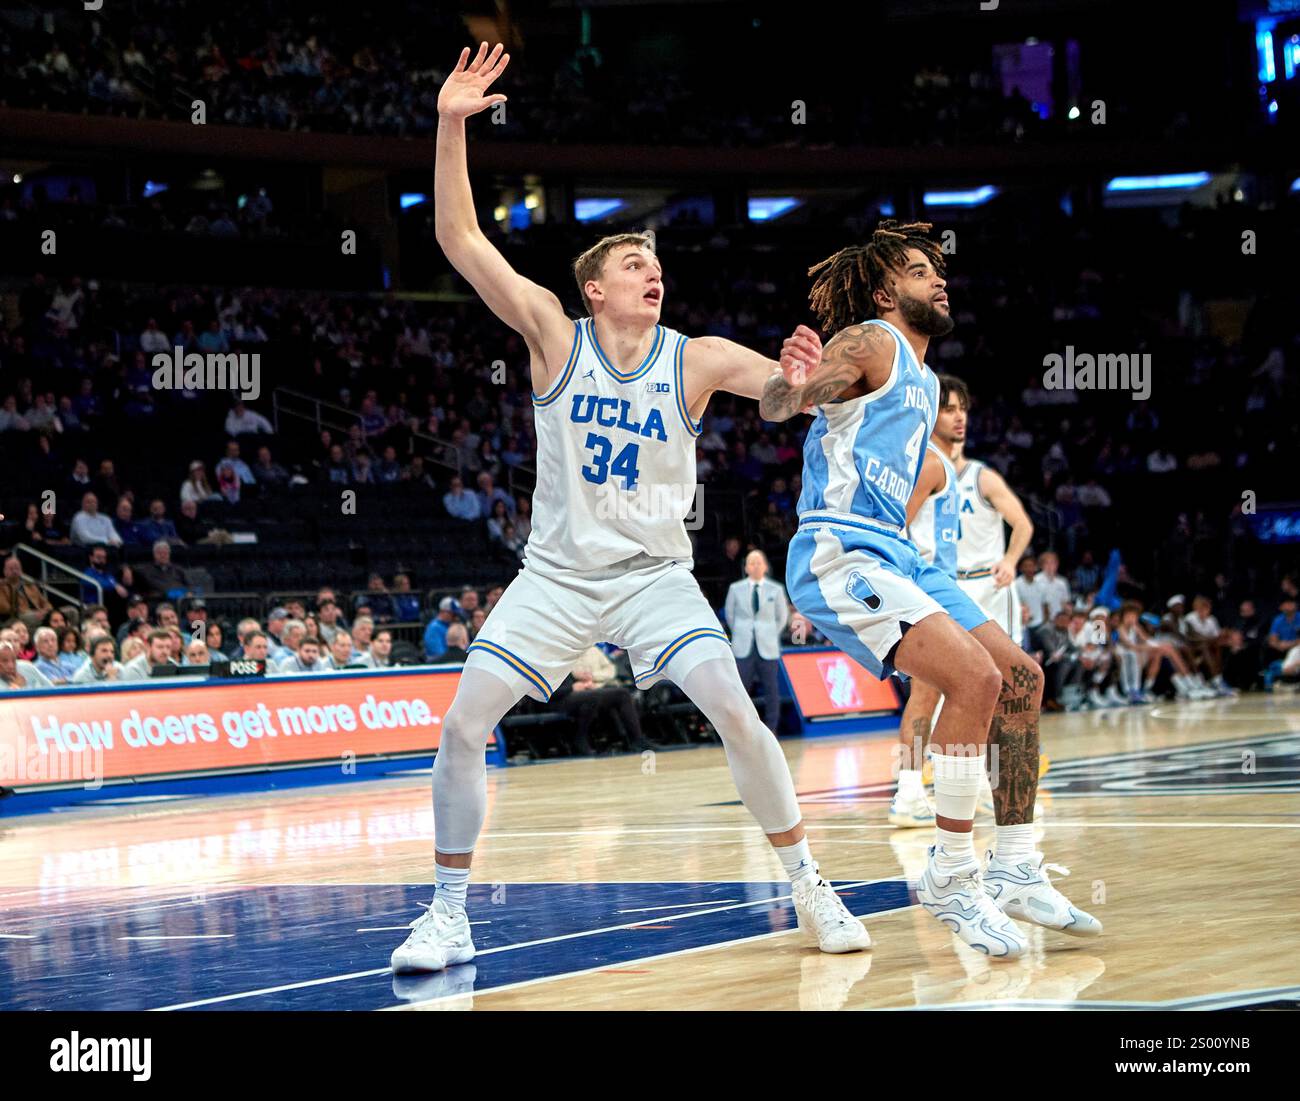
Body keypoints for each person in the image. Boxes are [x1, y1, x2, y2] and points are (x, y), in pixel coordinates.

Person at [391, 43, 868, 977]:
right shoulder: (550, 336)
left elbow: (774, 397)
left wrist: (809, 382)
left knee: (737, 711)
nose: (653, 271)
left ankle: (809, 883)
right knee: (460, 724)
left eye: (657, 262)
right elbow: (460, 242)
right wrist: (450, 123)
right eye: (633, 261)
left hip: (656, 578)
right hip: (557, 578)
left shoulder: (693, 357)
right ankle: (447, 913)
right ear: (595, 288)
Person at [763, 219, 1098, 957]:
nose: (938, 278)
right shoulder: (873, 339)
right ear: (887, 290)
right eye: (919, 271)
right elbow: (783, 403)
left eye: (937, 270)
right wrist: (791, 383)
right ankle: (952, 872)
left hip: (898, 558)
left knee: (1020, 677)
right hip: (841, 549)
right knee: (974, 678)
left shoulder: (919, 381)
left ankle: (1012, 862)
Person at [889, 374, 963, 829]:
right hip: (922, 591)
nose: (958, 417)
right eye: (949, 408)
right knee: (927, 692)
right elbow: (897, 527)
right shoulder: (930, 463)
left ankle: (929, 788)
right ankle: (908, 792)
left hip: (943, 589)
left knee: (948, 690)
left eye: (963, 408)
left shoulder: (945, 465)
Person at [724, 550, 789, 734]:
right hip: (743, 646)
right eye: (751, 563)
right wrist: (741, 632)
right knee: (740, 690)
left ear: (766, 566)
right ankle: (741, 730)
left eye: (759, 562)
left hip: (767, 647)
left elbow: (782, 617)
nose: (755, 566)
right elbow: (730, 615)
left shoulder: (776, 590)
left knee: (771, 690)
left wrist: (769, 633)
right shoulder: (735, 589)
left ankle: (771, 730)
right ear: (745, 567)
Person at [560, 644, 651, 754]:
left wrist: (593, 678)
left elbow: (611, 670)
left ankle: (637, 740)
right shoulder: (562, 653)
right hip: (571, 693)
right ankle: (581, 738)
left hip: (595, 686)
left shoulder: (593, 649)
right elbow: (576, 675)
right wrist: (573, 687)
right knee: (594, 696)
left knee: (622, 694)